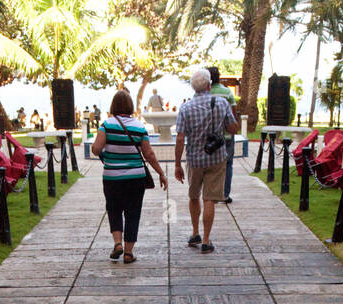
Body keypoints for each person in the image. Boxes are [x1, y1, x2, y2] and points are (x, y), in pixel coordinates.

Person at [91, 88, 167, 263]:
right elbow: (149, 154)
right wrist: (161, 173)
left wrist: (105, 151)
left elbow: (95, 149)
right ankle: (128, 253)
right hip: (135, 178)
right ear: (130, 106)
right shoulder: (139, 127)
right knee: (133, 213)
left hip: (112, 178)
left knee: (114, 209)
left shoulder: (106, 125)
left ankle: (118, 243)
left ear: (114, 106)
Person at [174, 67, 238, 253]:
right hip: (216, 158)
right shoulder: (222, 103)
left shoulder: (185, 108)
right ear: (209, 85)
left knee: (194, 196)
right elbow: (233, 128)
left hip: (194, 159)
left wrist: (178, 164)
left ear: (193, 88)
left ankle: (195, 232)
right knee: (210, 198)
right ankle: (207, 240)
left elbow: (180, 138)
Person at [208, 64, 237, 203]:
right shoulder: (227, 93)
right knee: (228, 164)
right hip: (226, 135)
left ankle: (213, 194)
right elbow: (233, 113)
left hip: (209, 137)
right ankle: (225, 194)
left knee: (212, 165)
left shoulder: (204, 94)